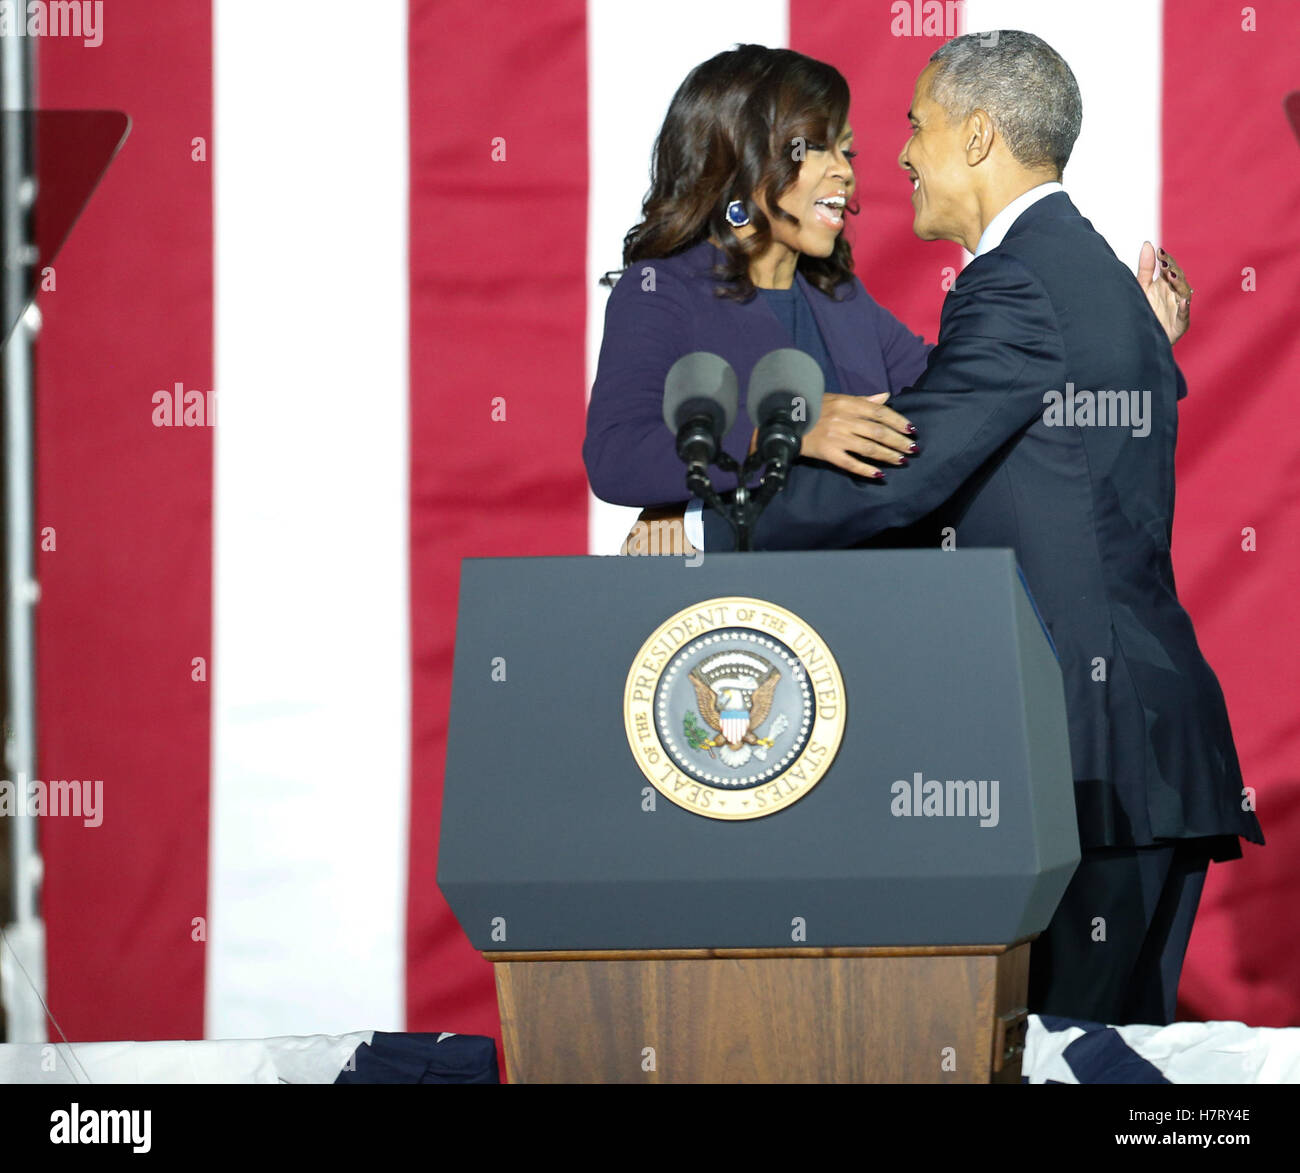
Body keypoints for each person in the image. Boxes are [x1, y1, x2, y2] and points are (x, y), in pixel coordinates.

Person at [684, 31, 1265, 1025]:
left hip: (1094, 765)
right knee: (1107, 1066)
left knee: (1068, 1059)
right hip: (1137, 756)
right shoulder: (1085, 278)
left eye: (916, 125)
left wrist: (709, 530)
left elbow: (905, 476)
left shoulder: (1019, 282)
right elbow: (1061, 464)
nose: (900, 155)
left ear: (981, 133)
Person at [584, 43, 1188, 540]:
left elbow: (973, 392)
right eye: (815, 147)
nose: (845, 170)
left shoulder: (841, 300)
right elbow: (615, 455)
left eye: (846, 149)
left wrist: (1122, 337)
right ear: (740, 155)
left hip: (865, 621)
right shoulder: (660, 291)